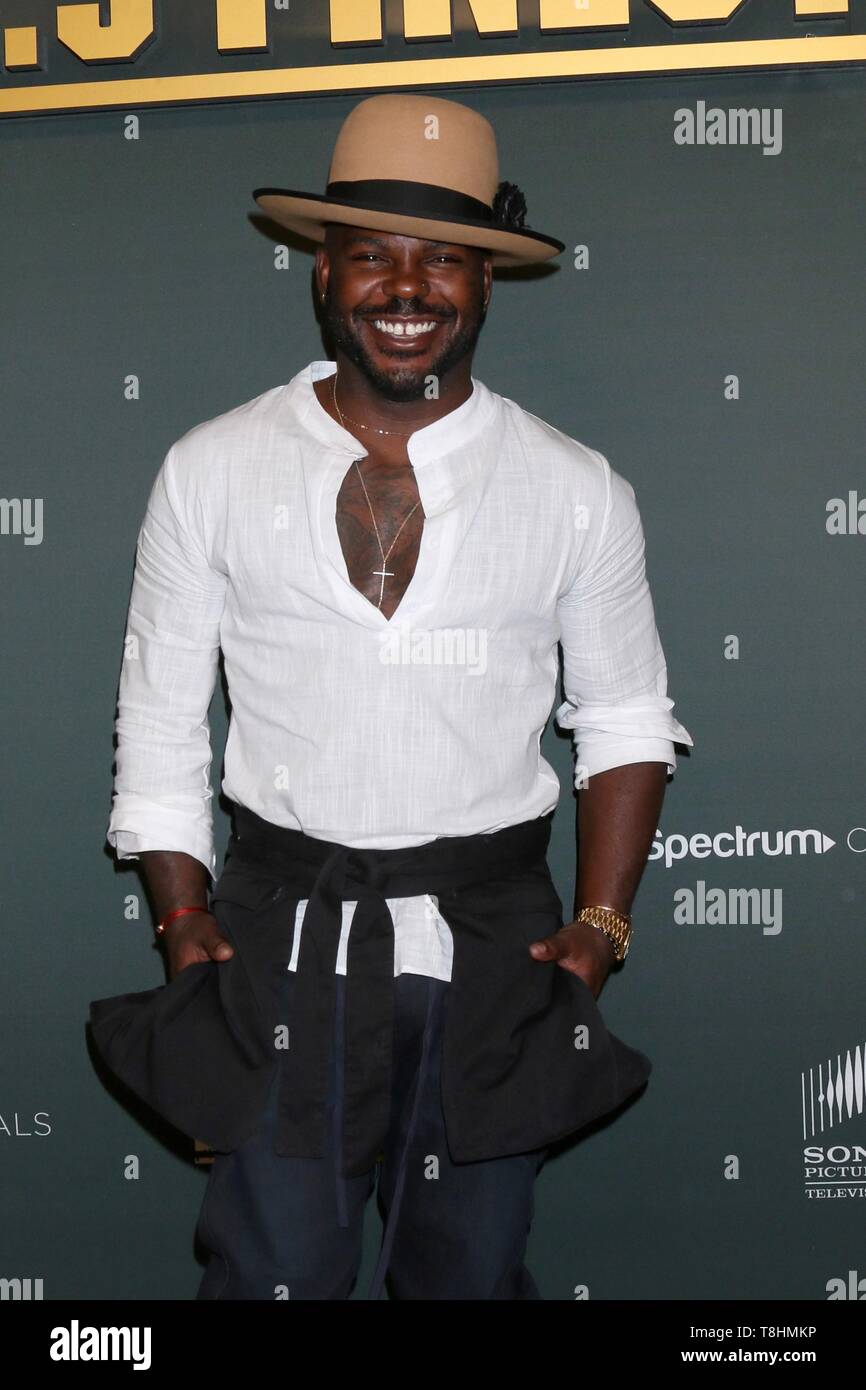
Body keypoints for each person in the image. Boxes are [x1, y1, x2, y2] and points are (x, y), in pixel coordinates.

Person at [97, 92, 694, 1301]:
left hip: (494, 943)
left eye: (441, 259)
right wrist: (180, 914)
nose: (404, 287)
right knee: (272, 1274)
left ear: (483, 281)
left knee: (467, 1277)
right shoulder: (210, 468)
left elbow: (624, 720)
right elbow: (160, 717)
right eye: (372, 254)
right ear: (324, 270)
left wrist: (599, 933)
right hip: (277, 930)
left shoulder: (575, 488)